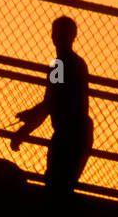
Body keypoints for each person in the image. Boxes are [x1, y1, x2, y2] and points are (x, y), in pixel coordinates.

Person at [9, 16, 93, 195]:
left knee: (56, 187)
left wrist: (24, 130)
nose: (57, 37)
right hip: (77, 133)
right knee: (62, 187)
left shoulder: (60, 65)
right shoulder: (77, 63)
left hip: (69, 135)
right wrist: (31, 115)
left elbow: (51, 103)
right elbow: (52, 101)